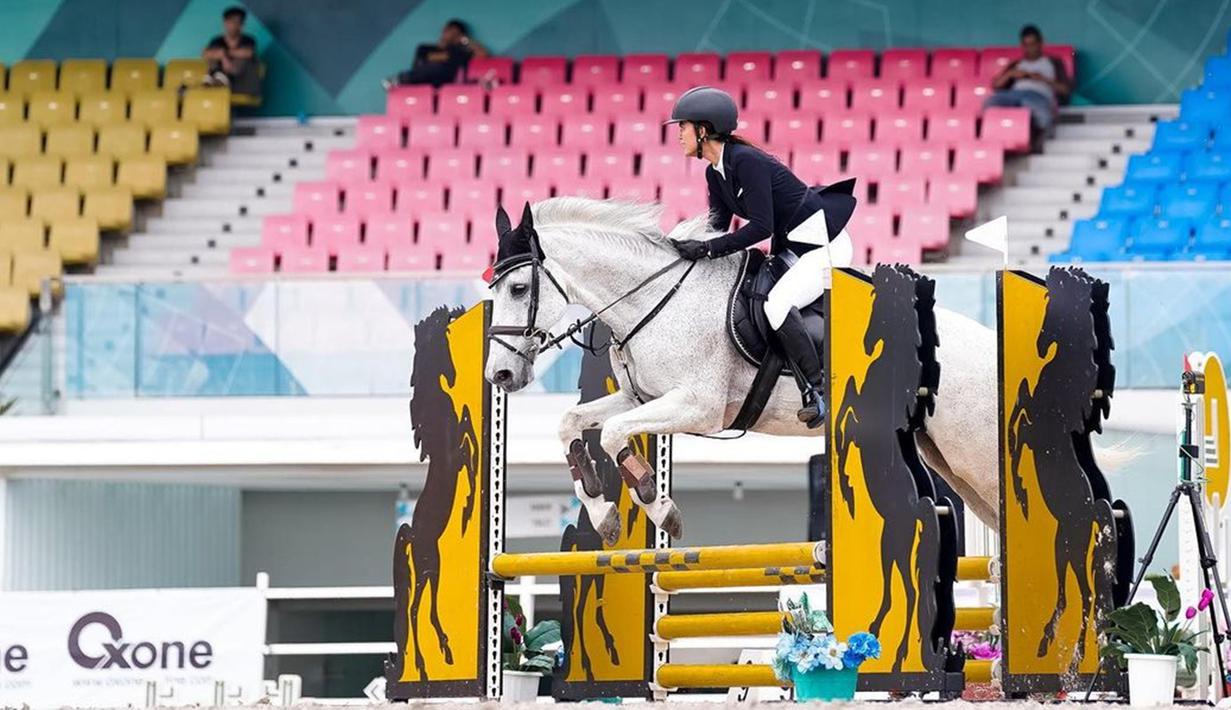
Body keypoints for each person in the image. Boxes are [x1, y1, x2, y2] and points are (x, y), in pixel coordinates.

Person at [666, 86, 857, 429]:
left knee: (777, 304)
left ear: (703, 130)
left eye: (683, 126)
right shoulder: (716, 171)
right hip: (792, 249)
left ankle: (819, 390)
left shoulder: (746, 161)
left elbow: (761, 227)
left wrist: (708, 249)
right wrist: (684, 246)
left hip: (823, 247)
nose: (678, 134)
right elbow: (719, 226)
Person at [984, 25, 1072, 141]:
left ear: (1041, 43)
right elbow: (995, 86)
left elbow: (1065, 90)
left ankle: (1041, 139)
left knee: (1041, 115)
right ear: (1022, 46)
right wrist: (1010, 74)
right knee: (991, 101)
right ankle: (995, 137)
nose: (1030, 48)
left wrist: (1043, 79)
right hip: (1015, 95)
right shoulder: (1016, 64)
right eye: (1026, 45)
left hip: (1038, 96)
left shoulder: (1054, 62)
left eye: (1033, 44)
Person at [383, 19, 489, 89]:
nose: (451, 35)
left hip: (444, 83)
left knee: (439, 67)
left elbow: (483, 54)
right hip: (422, 81)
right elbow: (416, 67)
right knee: (432, 68)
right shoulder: (424, 48)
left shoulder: (459, 52)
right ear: (444, 30)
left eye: (456, 34)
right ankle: (399, 80)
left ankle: (399, 79)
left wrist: (464, 40)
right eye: (449, 31)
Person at [202, 6, 261, 97]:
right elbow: (206, 54)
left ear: (242, 24)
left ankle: (221, 78)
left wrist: (224, 54)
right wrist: (222, 57)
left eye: (239, 22)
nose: (235, 25)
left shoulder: (248, 40)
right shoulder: (217, 41)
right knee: (214, 56)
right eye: (232, 22)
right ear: (225, 22)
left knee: (241, 59)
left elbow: (248, 53)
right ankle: (219, 78)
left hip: (242, 84)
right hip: (218, 83)